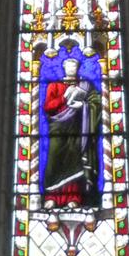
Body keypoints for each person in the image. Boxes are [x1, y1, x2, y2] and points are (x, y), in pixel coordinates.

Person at [42, 56, 102, 207]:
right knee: (54, 160)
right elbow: (48, 106)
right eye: (68, 66)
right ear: (64, 68)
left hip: (78, 128)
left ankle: (74, 198)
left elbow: (97, 103)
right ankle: (51, 197)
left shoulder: (85, 86)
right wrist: (64, 97)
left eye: (74, 66)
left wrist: (83, 106)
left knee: (75, 161)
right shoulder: (54, 86)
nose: (71, 69)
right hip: (58, 128)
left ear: (78, 68)